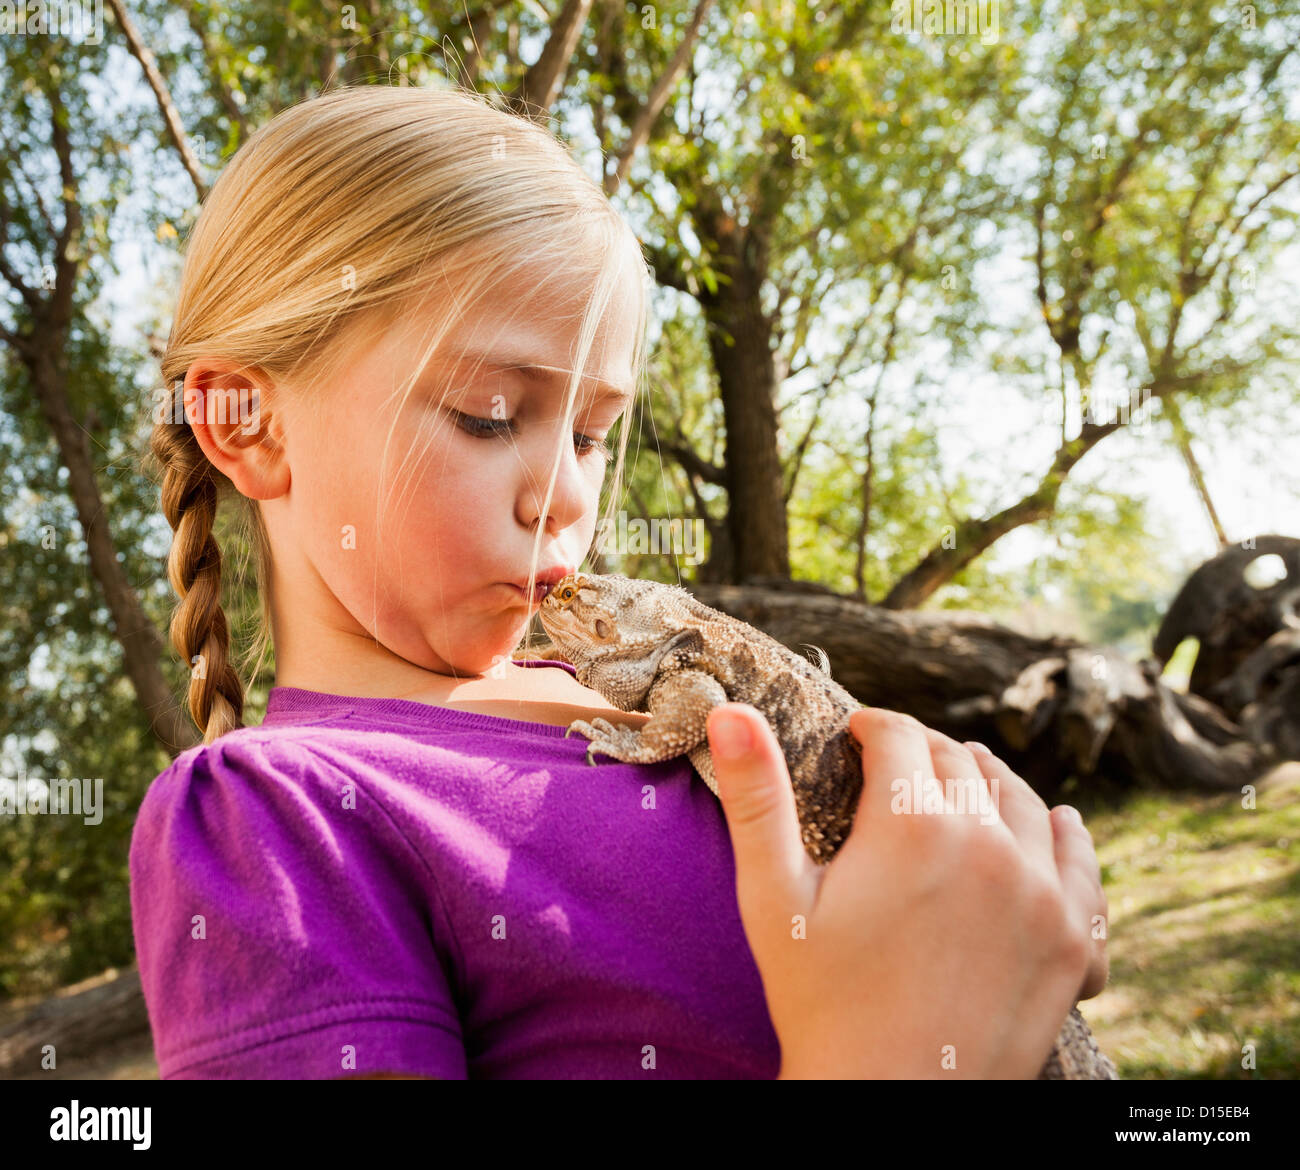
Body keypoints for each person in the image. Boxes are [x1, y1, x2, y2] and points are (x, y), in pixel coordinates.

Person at [132, 83, 1108, 1080]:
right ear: (247, 422)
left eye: (593, 434)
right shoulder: (275, 820)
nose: (564, 496)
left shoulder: (622, 678)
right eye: (486, 412)